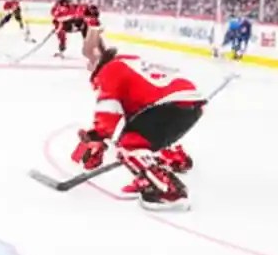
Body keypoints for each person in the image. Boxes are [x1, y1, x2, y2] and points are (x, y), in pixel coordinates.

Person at [71, 30, 203, 210]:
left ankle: (167, 191)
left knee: (128, 143)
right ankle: (175, 159)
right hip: (188, 101)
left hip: (170, 104)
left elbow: (108, 117)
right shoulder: (129, 62)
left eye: (89, 62)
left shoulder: (110, 70)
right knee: (144, 130)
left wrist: (96, 137)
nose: (88, 67)